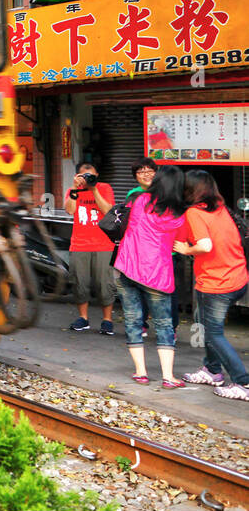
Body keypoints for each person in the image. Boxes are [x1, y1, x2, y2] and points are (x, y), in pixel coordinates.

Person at [174, 170, 249, 400]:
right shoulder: (220, 209)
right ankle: (212, 371)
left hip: (217, 283)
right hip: (238, 278)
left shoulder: (195, 213)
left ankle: (243, 383)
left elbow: (205, 245)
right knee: (205, 327)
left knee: (213, 333)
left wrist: (186, 250)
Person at [114, 165, 188, 388]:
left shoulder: (138, 200)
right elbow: (181, 244)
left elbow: (124, 224)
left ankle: (141, 372)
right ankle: (168, 377)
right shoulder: (179, 212)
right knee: (164, 324)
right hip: (156, 272)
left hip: (127, 266)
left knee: (133, 319)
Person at [64, 161, 117, 335]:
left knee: (105, 284)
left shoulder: (104, 188)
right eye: (84, 176)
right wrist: (74, 188)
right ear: (77, 176)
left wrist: (94, 189)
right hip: (79, 244)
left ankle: (107, 320)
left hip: (103, 244)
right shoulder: (72, 191)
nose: (88, 179)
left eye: (91, 176)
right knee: (80, 282)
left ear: (97, 176)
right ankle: (83, 318)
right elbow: (70, 210)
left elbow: (108, 209)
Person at [125, 158, 159, 336]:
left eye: (149, 170)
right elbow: (129, 221)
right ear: (135, 176)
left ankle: (170, 327)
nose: (145, 175)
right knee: (141, 290)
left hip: (165, 251)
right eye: (140, 172)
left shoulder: (165, 191)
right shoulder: (133, 194)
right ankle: (142, 324)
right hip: (141, 250)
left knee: (166, 291)